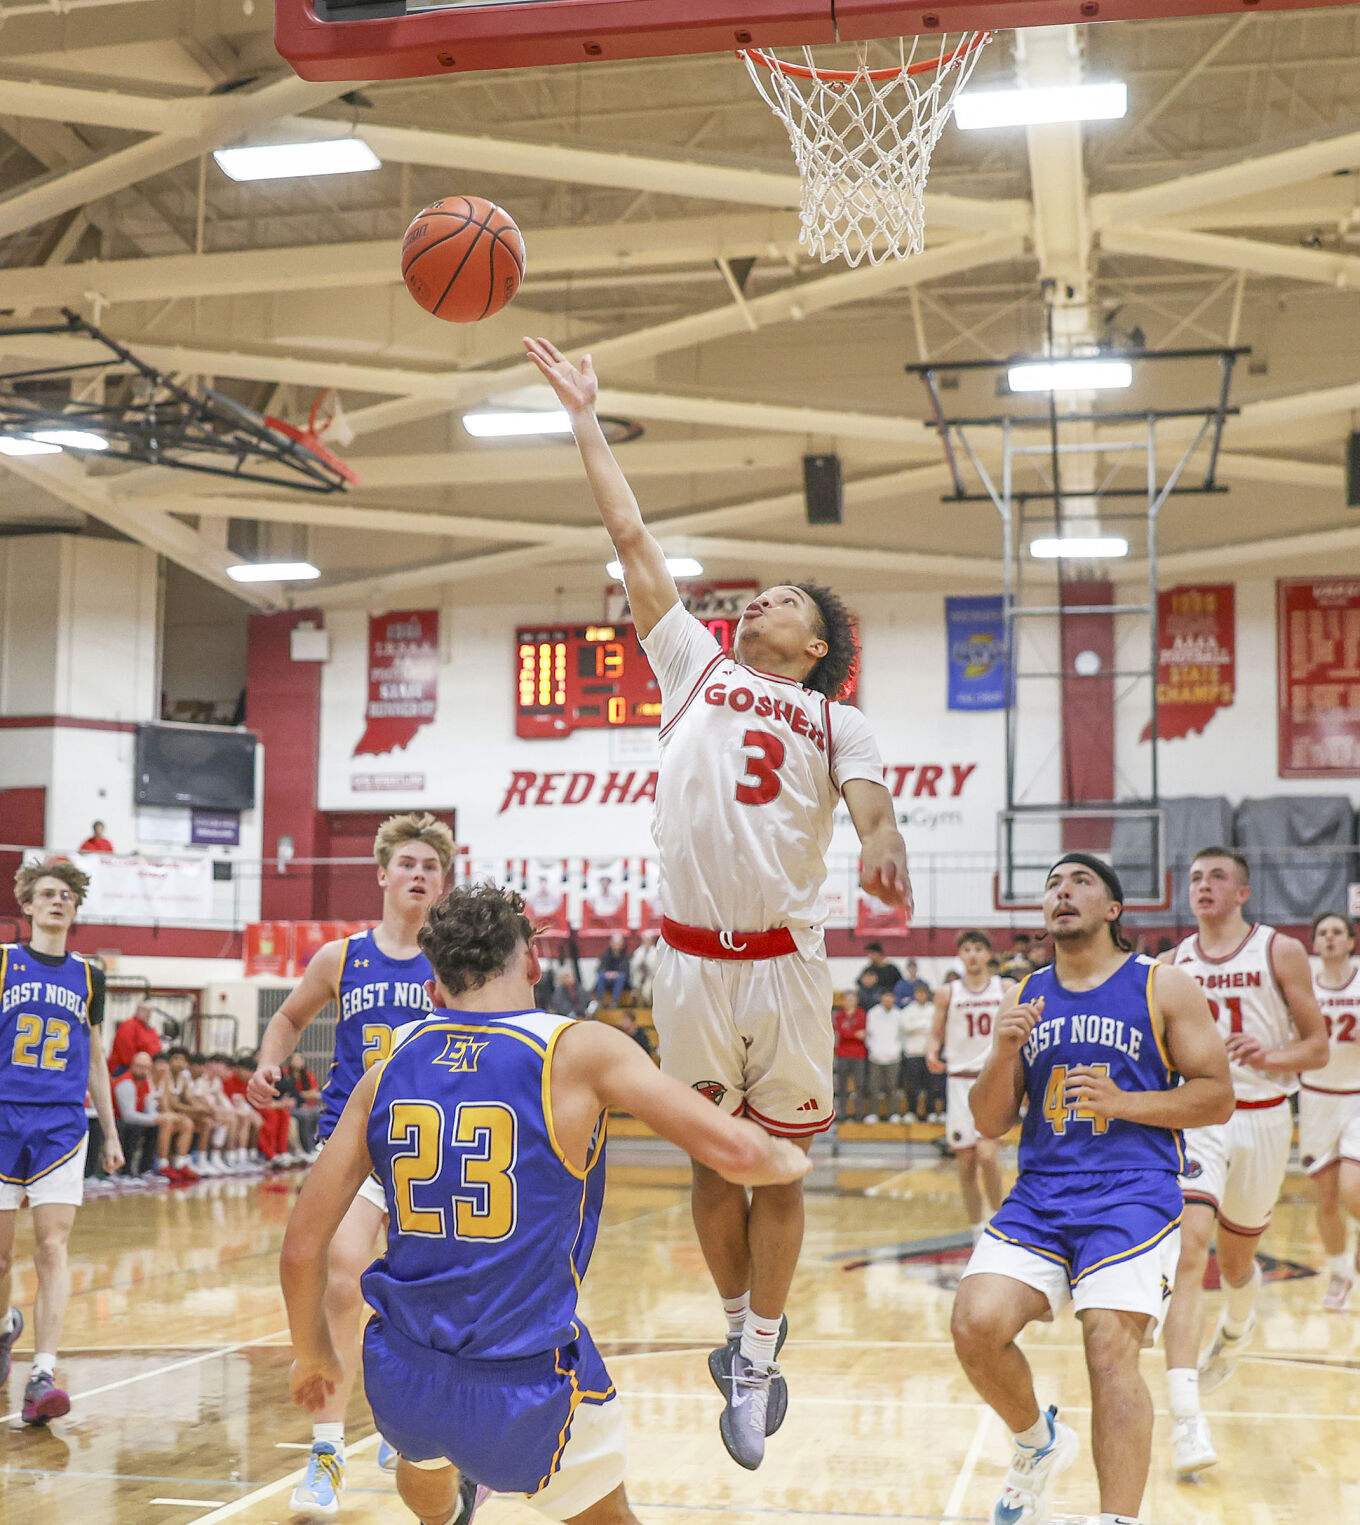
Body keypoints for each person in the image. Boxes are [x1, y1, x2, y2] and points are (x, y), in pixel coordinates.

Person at [526, 334, 910, 1471]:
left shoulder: (841, 720)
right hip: (688, 959)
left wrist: (883, 847)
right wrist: (585, 415)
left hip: (787, 962)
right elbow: (631, 536)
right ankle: (736, 1330)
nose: (763, 598)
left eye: (787, 598)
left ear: (814, 647)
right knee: (712, 1162)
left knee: (780, 1165)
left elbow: (872, 808)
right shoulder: (693, 661)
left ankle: (758, 1344)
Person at [281, 883, 811, 1525]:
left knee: (422, 1457)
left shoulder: (384, 1070)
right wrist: (786, 1157)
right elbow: (737, 1155)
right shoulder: (579, 1051)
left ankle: (440, 1517)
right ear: (533, 963)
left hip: (401, 1373)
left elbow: (302, 1247)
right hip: (525, 1387)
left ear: (434, 988)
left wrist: (313, 1354)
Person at [951, 853, 1232, 1525]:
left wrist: (1125, 1103)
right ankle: (1037, 1443)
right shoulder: (1025, 993)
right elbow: (989, 1120)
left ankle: (1117, 1519)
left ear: (1112, 908)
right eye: (1052, 883)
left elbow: (1217, 1095)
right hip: (1042, 1190)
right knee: (974, 1323)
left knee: (1109, 1347)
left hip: (1134, 1191)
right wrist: (998, 1055)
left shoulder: (1162, 985)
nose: (1062, 891)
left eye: (1079, 881)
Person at [250, 811, 455, 1514]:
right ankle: (328, 1451)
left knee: (418, 1295)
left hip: (430, 1147)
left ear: (444, 881)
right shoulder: (341, 957)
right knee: (341, 1281)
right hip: (353, 1142)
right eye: (407, 862)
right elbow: (287, 1017)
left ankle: (402, 1415)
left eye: (431, 864)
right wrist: (269, 1063)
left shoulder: (454, 960)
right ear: (382, 873)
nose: (419, 872)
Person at [1161, 846, 1328, 1477]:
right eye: (1196, 877)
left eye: (1217, 877)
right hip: (1201, 1116)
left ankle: (1236, 1326)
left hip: (1263, 1117)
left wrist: (1269, 1055)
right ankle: (1186, 1420)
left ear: (1243, 893)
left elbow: (1315, 1047)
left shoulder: (1278, 950)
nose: (1203, 886)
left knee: (1236, 1264)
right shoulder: (1173, 962)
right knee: (1187, 1249)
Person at [0, 859, 123, 1424]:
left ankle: (43, 1372)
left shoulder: (89, 974)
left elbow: (95, 1056)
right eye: (47, 894)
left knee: (51, 1247)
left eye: (67, 895)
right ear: (26, 905)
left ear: (76, 908)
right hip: (3, 1117)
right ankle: (6, 1328)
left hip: (60, 1126)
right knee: (2, 1256)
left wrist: (111, 1130)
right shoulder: (3, 964)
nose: (57, 901)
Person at [929, 930, 1012, 1242]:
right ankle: (978, 1228)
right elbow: (936, 1031)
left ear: (989, 954)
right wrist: (930, 1051)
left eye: (979, 948)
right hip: (959, 1082)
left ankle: (999, 1221)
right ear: (960, 955)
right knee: (965, 1164)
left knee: (988, 1154)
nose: (973, 954)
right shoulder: (948, 993)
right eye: (967, 949)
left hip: (991, 1078)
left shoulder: (1005, 988)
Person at [1302, 911, 1360, 1311]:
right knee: (1325, 1199)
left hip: (1357, 1096)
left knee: (1352, 1192)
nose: (1330, 938)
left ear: (1352, 942)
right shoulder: (1302, 984)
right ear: (1315, 943)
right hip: (1315, 1098)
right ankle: (1340, 1275)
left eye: (1337, 932)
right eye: (1323, 933)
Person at [862, 991, 904, 1124]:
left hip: (893, 1057)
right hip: (876, 1056)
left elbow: (902, 1035)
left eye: (891, 998)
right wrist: (873, 1050)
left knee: (892, 1087)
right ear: (881, 998)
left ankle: (894, 1114)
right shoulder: (873, 1013)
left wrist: (897, 1050)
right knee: (874, 1087)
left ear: (894, 999)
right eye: (886, 998)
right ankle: (873, 1114)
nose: (888, 1001)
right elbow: (868, 1034)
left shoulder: (898, 1014)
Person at [899, 981, 935, 1122]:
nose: (921, 996)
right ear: (915, 995)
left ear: (927, 995)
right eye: (918, 994)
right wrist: (924, 1026)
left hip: (929, 1053)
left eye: (923, 994)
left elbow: (935, 1028)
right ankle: (911, 1112)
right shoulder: (908, 1010)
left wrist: (917, 1027)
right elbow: (906, 1027)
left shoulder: (933, 1009)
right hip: (913, 1053)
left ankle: (931, 1112)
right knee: (913, 1086)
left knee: (931, 1086)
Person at [832, 993, 867, 1121]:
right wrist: (854, 1033)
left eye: (852, 999)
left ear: (856, 1001)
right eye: (848, 999)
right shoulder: (839, 1015)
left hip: (859, 1055)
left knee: (859, 1086)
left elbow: (864, 1033)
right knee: (842, 1087)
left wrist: (850, 1032)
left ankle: (858, 1114)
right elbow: (841, 1032)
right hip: (843, 1054)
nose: (850, 1002)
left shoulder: (862, 1014)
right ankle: (842, 1114)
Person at [107, 1002, 161, 1077]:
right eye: (145, 1010)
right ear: (137, 1011)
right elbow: (126, 1055)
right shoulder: (128, 1026)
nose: (148, 1013)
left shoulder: (149, 1028)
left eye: (150, 1011)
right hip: (126, 1068)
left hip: (146, 1067)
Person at [855, 942, 903, 1010]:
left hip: (889, 999)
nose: (869, 956)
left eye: (871, 954)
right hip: (872, 1000)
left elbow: (900, 983)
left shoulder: (892, 969)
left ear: (878, 954)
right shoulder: (869, 969)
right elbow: (859, 982)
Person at [591, 931, 631, 1009]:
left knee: (621, 977)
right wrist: (608, 974)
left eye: (618, 943)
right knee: (601, 976)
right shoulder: (605, 955)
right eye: (615, 943)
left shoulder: (625, 956)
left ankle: (614, 1002)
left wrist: (615, 974)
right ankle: (600, 1001)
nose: (616, 945)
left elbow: (626, 972)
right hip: (607, 979)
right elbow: (599, 968)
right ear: (611, 943)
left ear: (622, 944)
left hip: (621, 981)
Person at [630, 929, 660, 1007]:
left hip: (650, 975)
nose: (646, 941)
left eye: (648, 940)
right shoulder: (638, 951)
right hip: (640, 974)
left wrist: (647, 964)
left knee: (647, 989)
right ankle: (635, 997)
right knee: (636, 979)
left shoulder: (655, 952)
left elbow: (655, 967)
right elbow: (634, 965)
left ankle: (646, 1004)